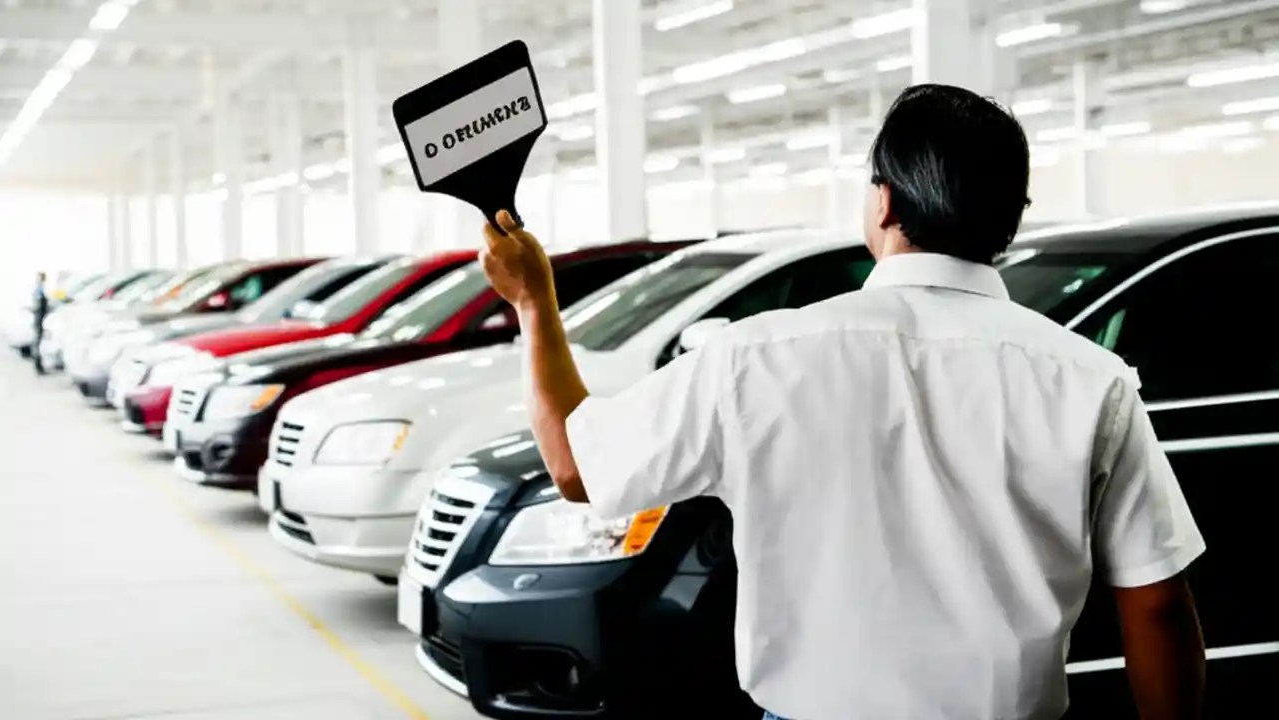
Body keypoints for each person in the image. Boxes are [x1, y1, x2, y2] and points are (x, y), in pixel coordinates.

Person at [479, 84, 1206, 719]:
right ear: (1008, 221)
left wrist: (535, 303)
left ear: (885, 200)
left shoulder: (755, 358)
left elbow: (576, 466)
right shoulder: (1089, 378)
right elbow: (1156, 605)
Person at [31, 271, 49, 375]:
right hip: (39, 319)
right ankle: (38, 365)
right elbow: (39, 305)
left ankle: (38, 365)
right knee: (38, 342)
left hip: (38, 319)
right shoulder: (40, 290)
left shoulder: (38, 289)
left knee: (37, 342)